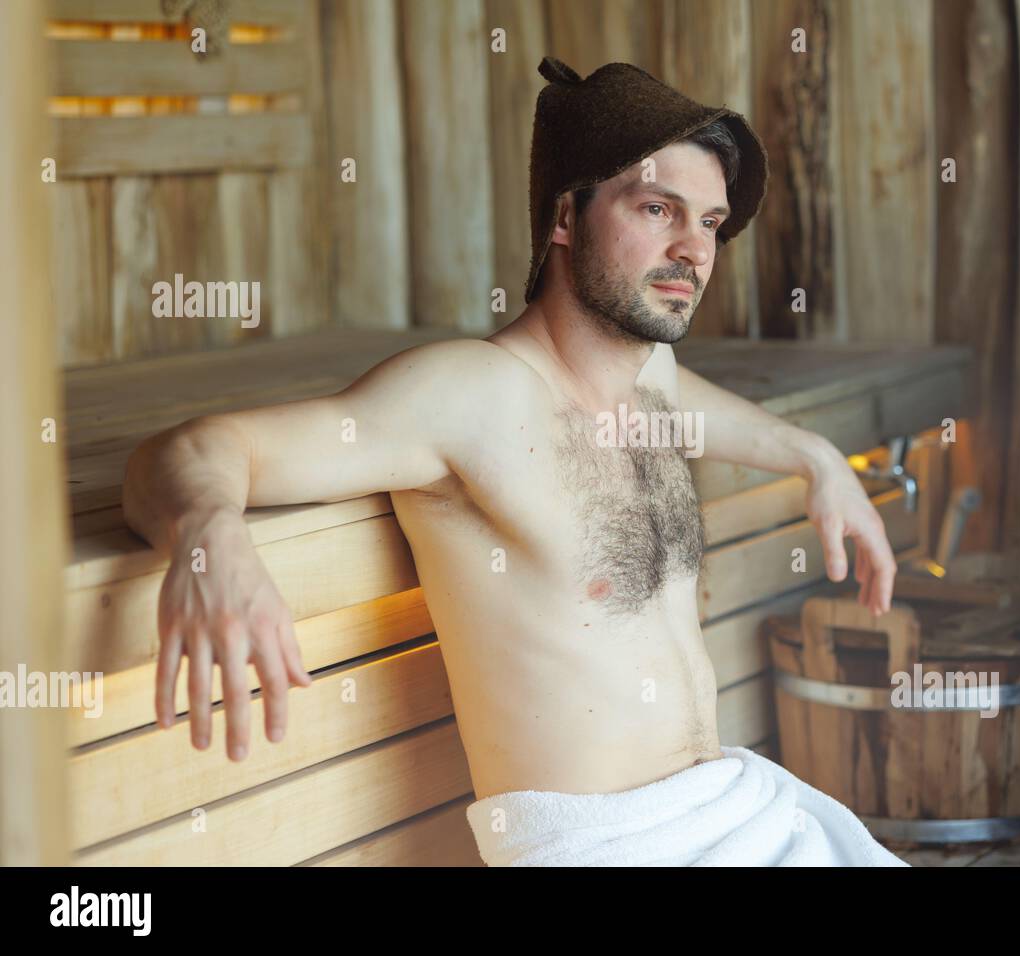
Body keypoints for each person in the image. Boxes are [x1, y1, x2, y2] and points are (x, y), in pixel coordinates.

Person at [122, 57, 903, 866]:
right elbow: (190, 449)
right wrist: (209, 538)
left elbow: (702, 408)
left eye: (708, 222)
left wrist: (816, 460)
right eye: (658, 208)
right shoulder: (469, 396)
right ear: (566, 216)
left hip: (732, 814)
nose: (692, 251)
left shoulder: (649, 380)